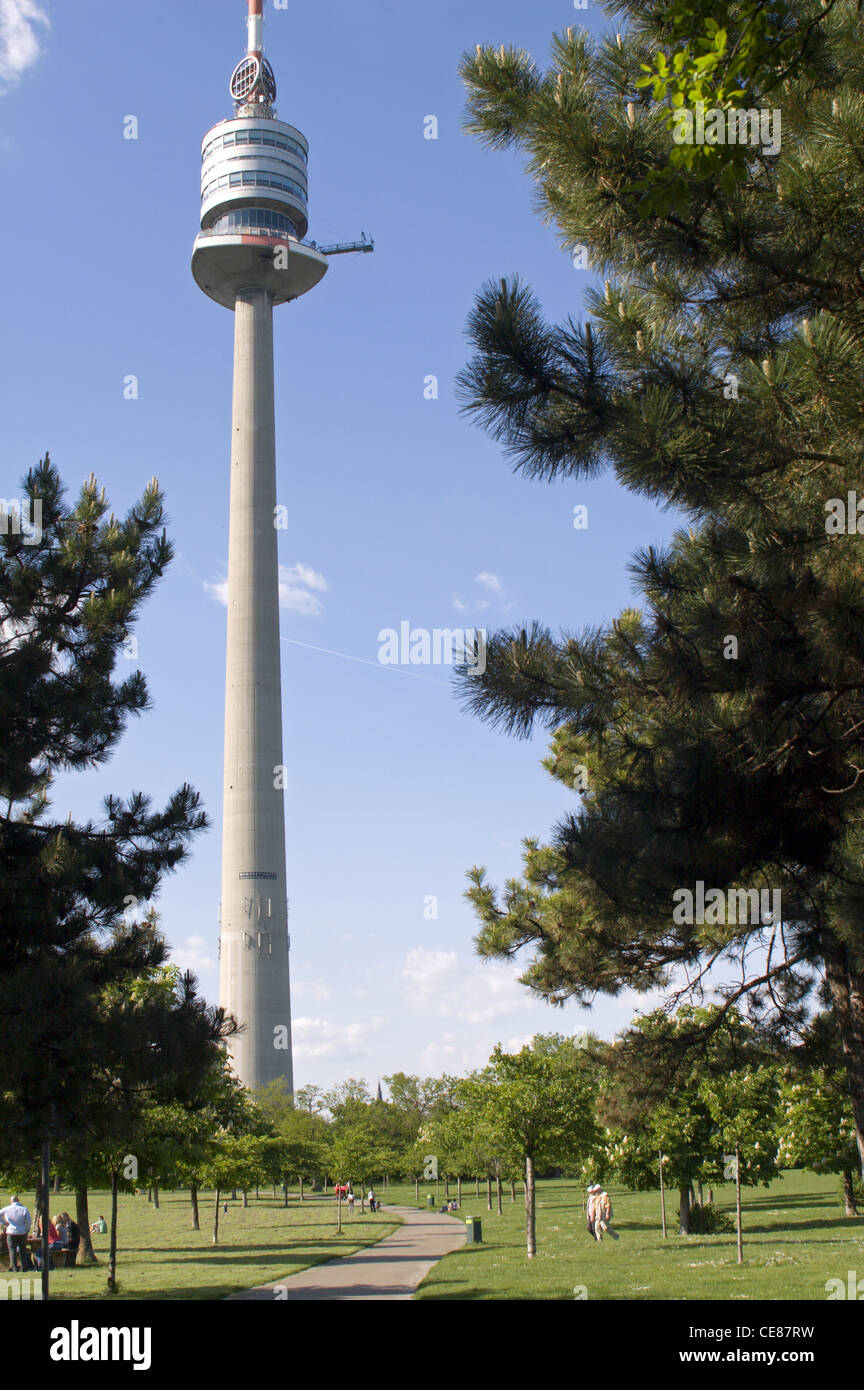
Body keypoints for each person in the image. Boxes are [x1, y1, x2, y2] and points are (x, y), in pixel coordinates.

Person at [0, 1196, 31, 1273]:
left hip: (11, 1231)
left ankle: (14, 1268)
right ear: (18, 1200)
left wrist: (3, 1222)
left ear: (11, 1201)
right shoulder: (24, 1209)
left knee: (12, 1250)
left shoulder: (7, 1209)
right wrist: (27, 1229)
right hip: (22, 1232)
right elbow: (29, 1220)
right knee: (23, 1250)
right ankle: (24, 1267)